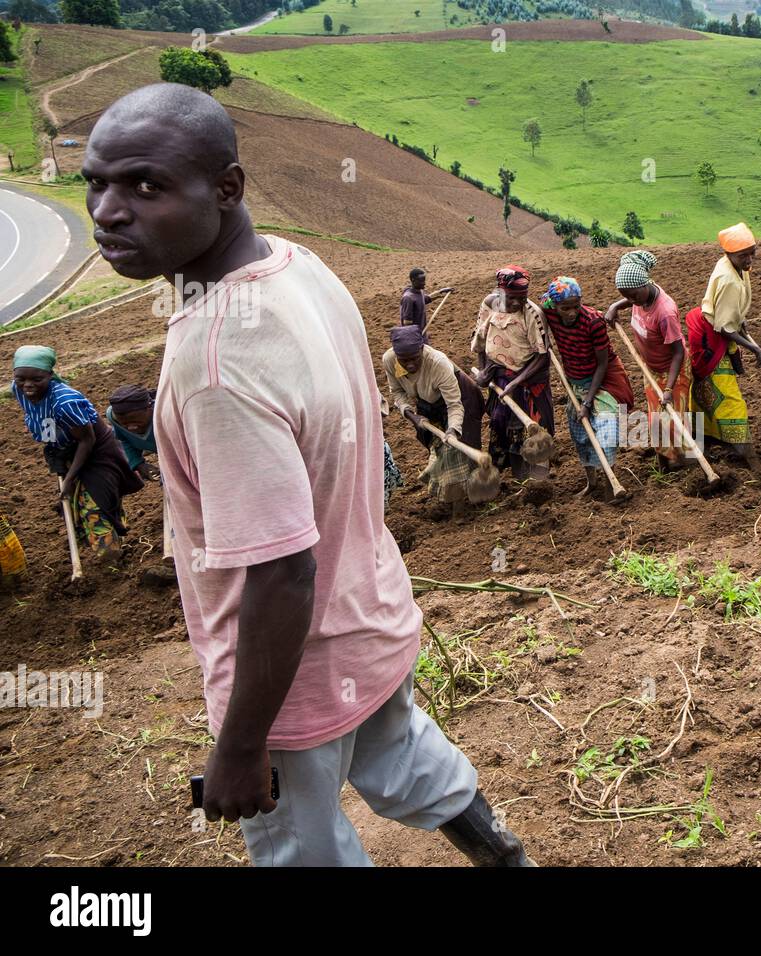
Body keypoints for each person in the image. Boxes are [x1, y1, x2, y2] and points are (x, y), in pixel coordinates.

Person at [83, 83, 530, 866]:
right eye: (97, 183)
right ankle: (506, 857)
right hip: (372, 620)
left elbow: (284, 569)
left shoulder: (216, 359)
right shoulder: (299, 265)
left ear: (226, 190)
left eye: (146, 185)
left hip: (290, 674)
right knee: (411, 759)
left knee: (303, 850)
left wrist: (240, 744)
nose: (108, 211)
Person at [11, 343, 144, 564]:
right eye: (21, 379)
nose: (28, 385)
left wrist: (71, 478)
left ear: (50, 375)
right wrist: (58, 454)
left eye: (37, 379)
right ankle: (106, 545)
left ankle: (111, 558)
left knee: (95, 503)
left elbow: (87, 440)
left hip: (96, 450)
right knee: (74, 506)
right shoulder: (17, 390)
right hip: (65, 448)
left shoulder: (65, 402)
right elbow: (41, 419)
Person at [541, 276, 635, 499]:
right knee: (580, 433)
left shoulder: (593, 321)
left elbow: (602, 364)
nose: (572, 312)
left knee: (607, 428)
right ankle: (592, 483)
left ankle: (610, 484)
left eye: (576, 305)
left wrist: (588, 401)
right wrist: (543, 335)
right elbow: (536, 307)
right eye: (566, 308)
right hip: (575, 378)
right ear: (555, 306)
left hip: (602, 379)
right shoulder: (549, 308)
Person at [382, 325, 484, 517]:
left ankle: (460, 507)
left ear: (422, 350)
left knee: (457, 449)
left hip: (461, 398)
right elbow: (397, 392)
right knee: (437, 446)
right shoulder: (389, 360)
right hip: (427, 402)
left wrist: (453, 430)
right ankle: (458, 492)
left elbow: (454, 405)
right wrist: (412, 416)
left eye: (415, 359)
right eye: (404, 361)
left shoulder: (438, 363)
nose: (410, 365)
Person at [687, 222, 761, 467]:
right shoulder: (728, 278)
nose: (750, 259)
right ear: (729, 253)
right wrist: (755, 349)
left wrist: (740, 321)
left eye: (752, 252)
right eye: (744, 255)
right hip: (713, 338)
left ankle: (703, 444)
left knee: (705, 393)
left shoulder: (735, 266)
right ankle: (749, 456)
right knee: (730, 400)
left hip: (715, 331)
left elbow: (731, 317)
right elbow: (724, 328)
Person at [604, 250, 689, 469]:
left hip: (672, 372)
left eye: (633, 296)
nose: (631, 301)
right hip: (650, 369)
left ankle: (683, 465)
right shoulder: (639, 296)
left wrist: (669, 388)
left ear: (645, 284)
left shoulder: (665, 312)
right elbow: (629, 298)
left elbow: (678, 353)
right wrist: (615, 306)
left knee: (673, 424)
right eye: (626, 296)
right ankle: (665, 464)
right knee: (656, 422)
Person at [472, 266, 554, 481]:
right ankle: (513, 477)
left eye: (522, 297)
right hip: (500, 376)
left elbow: (543, 356)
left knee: (534, 431)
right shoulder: (489, 304)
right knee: (503, 427)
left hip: (528, 380)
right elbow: (481, 342)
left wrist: (516, 382)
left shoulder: (532, 314)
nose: (517, 303)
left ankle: (536, 482)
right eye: (512, 298)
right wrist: (483, 372)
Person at [107, 383, 160, 482]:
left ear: (149, 409)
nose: (131, 427)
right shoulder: (114, 419)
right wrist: (138, 464)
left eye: (136, 420)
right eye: (124, 423)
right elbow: (125, 440)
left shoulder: (162, 414)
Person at [400, 267, 452, 333]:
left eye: (424, 280)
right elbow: (407, 323)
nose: (424, 283)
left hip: (421, 333)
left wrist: (440, 292)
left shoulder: (418, 292)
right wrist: (415, 337)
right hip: (413, 335)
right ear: (413, 280)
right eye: (421, 281)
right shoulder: (408, 298)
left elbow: (424, 299)